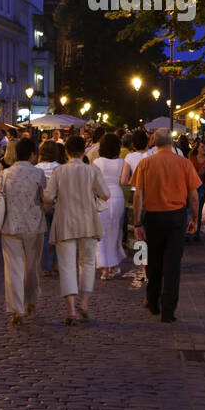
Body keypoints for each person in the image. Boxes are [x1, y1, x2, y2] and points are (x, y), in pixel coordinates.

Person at [131, 129, 201, 322]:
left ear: (154, 142)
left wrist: (137, 222)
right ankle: (168, 309)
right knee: (172, 264)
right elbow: (194, 196)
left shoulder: (145, 163)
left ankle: (153, 302)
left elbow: (138, 195)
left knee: (153, 261)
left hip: (153, 216)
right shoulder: (184, 163)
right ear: (172, 142)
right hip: (176, 217)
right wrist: (194, 219)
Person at [45, 135, 108, 324]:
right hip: (88, 222)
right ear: (83, 152)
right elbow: (106, 194)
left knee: (66, 266)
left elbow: (48, 197)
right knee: (87, 263)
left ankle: (71, 309)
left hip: (64, 223)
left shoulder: (59, 171)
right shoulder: (92, 171)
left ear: (66, 152)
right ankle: (84, 304)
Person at [0, 137, 46, 325]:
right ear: (32, 155)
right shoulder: (38, 174)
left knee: (13, 268)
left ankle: (18, 309)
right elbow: (45, 199)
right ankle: (31, 301)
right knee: (32, 267)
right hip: (34, 226)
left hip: (10, 225)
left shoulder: (6, 173)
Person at [93, 133, 127, 280]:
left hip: (102, 197)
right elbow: (124, 180)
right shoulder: (122, 162)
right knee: (116, 232)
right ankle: (114, 265)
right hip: (118, 196)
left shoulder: (97, 162)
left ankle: (104, 268)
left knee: (102, 233)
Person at [35, 140, 62, 276]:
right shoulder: (59, 167)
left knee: (44, 237)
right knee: (57, 236)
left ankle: (45, 267)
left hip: (42, 204)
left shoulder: (37, 167)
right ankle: (56, 263)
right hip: (57, 204)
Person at [188, 139, 205, 242]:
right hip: (192, 186)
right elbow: (189, 172)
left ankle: (196, 233)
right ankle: (188, 233)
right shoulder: (192, 158)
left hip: (202, 185)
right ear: (197, 148)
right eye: (202, 147)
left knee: (199, 210)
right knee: (189, 210)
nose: (204, 149)